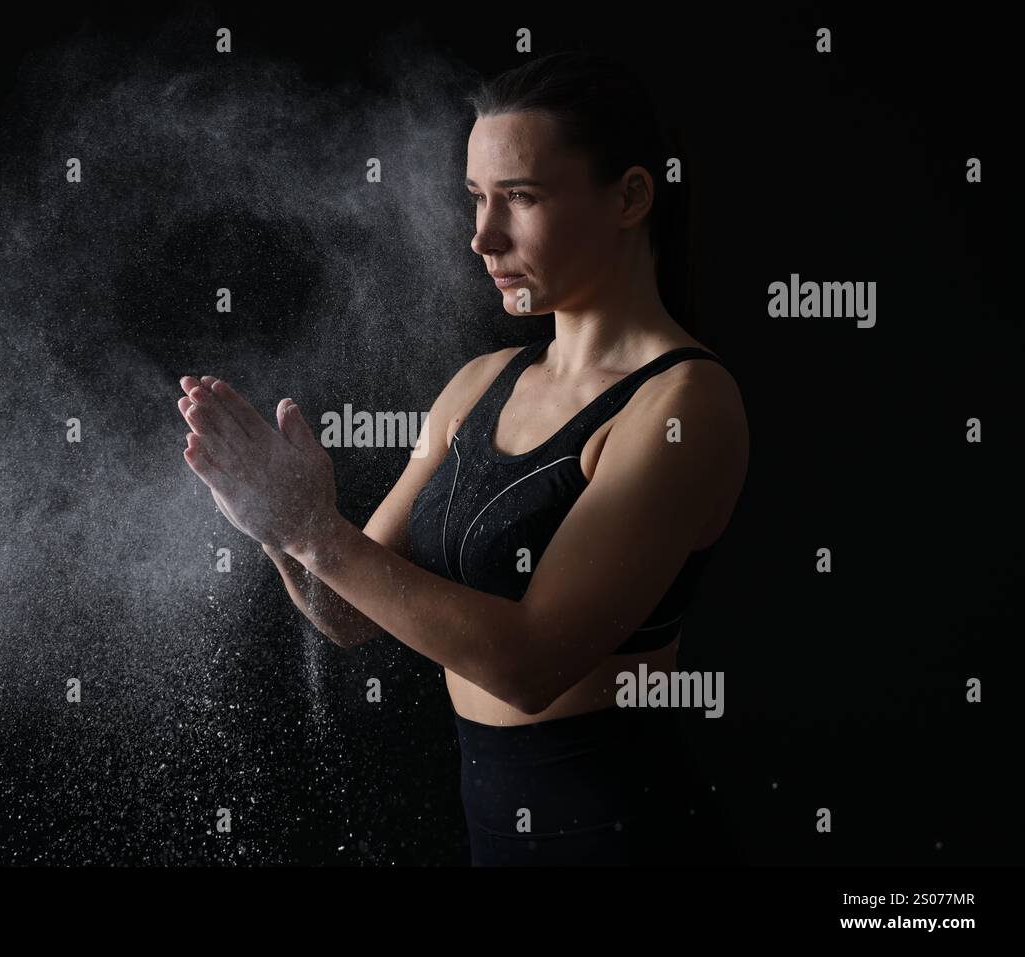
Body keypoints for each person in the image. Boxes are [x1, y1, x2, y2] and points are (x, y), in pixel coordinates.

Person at [176, 50, 749, 866]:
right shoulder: (482, 383)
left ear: (630, 197)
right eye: (477, 198)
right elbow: (345, 614)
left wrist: (315, 528)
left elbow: (531, 663)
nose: (483, 236)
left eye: (519, 197)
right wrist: (273, 519)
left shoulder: (684, 404)